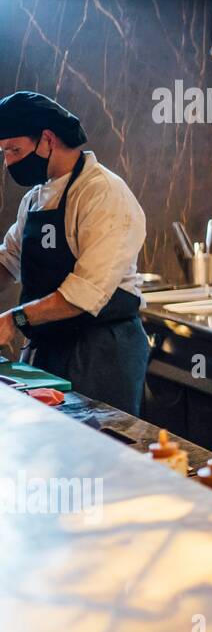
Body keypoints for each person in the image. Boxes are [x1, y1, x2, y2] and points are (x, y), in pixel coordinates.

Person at [0, 92, 148, 414]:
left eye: (14, 150)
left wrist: (15, 319)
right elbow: (8, 259)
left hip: (101, 352)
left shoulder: (102, 193)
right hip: (49, 345)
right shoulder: (36, 198)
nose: (8, 162)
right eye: (4, 153)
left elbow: (83, 293)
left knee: (98, 451)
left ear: (48, 140)